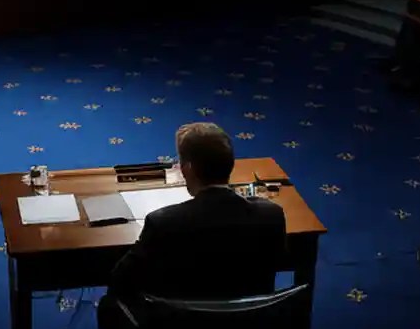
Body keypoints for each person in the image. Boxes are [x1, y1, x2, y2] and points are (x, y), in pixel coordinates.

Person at [105, 122, 287, 301]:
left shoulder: (163, 224)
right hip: (250, 325)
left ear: (186, 169)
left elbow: (120, 280)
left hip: (182, 326)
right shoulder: (272, 215)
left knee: (109, 306)